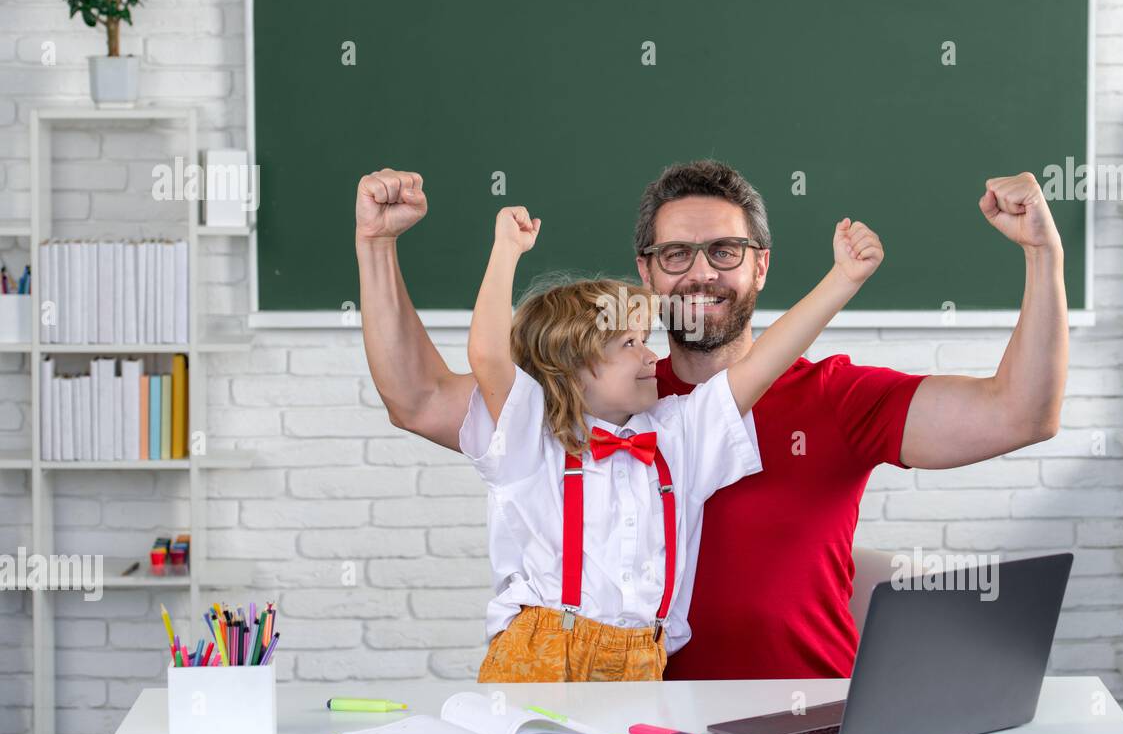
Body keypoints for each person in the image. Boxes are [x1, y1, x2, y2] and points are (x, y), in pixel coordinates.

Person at [355, 159, 1067, 679]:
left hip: (805, 721)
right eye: (676, 254)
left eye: (725, 252)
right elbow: (416, 398)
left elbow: (1021, 415)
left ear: (760, 268)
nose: (701, 273)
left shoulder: (834, 396)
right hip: (634, 723)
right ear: (647, 272)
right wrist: (378, 246)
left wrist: (1044, 254)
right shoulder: (590, 401)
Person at [463, 203, 882, 681]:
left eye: (646, 338)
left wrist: (843, 279)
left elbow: (763, 363)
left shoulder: (678, 434)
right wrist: (506, 251)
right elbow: (487, 354)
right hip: (540, 657)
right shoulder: (528, 438)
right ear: (574, 369)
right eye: (629, 344)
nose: (650, 355)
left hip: (643, 661)